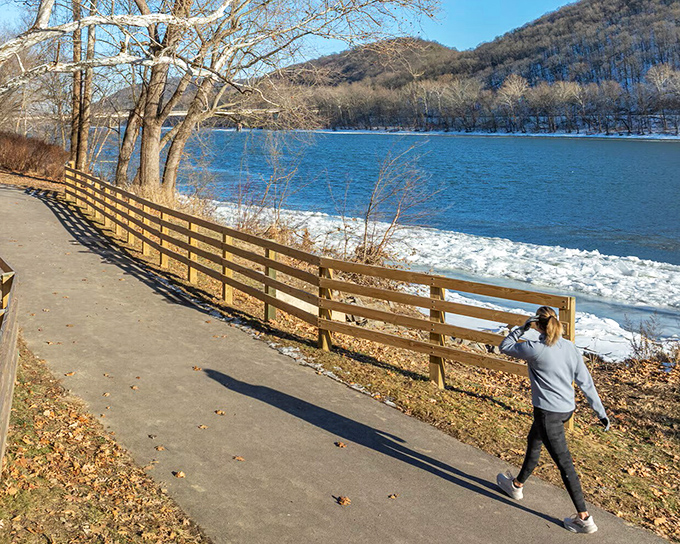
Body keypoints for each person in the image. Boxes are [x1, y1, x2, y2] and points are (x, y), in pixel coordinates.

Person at [496, 306, 610, 534]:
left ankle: (584, 518)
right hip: (566, 410)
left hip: (547, 413)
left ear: (537, 324)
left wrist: (521, 328)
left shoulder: (534, 348)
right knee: (534, 442)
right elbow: (585, 382)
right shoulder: (569, 347)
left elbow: (504, 347)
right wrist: (601, 412)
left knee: (564, 463)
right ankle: (516, 485)